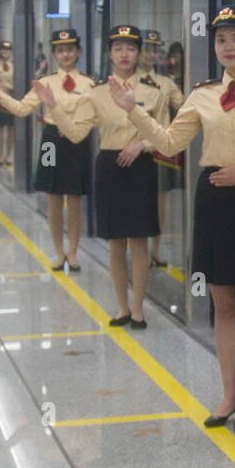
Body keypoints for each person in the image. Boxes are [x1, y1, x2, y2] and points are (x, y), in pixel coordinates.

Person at [111, 4, 235, 434]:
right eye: (220, 39)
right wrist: (132, 110)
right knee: (222, 303)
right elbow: (169, 141)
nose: (228, 46)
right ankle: (227, 395)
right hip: (213, 197)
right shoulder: (202, 94)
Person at [50, 26, 170, 327]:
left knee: (139, 242)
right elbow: (77, 132)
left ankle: (139, 308)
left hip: (141, 167)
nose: (124, 54)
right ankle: (122, 307)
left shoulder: (154, 92)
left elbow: (167, 136)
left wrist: (142, 144)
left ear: (139, 52)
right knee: (116, 243)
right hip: (109, 166)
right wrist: (53, 107)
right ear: (109, 54)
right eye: (118, 48)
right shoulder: (96, 93)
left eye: (130, 48)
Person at [0, 28, 94, 271]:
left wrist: (76, 126)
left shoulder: (89, 83)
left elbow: (96, 115)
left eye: (70, 50)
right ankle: (59, 253)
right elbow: (22, 109)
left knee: (75, 200)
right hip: (51, 141)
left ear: (79, 52)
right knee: (53, 198)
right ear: (54, 53)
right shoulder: (45, 82)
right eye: (60, 50)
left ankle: (73, 252)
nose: (65, 54)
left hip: (77, 141)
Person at [140, 29, 186, 268]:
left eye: (155, 50)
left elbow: (186, 106)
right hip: (134, 151)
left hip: (159, 152)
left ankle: (155, 251)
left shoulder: (166, 83)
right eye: (146, 49)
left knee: (160, 205)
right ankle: (137, 251)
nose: (150, 54)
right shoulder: (125, 82)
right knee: (136, 203)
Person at [0, 41, 15, 166]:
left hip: (12, 99)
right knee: (0, 128)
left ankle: (8, 155)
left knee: (11, 128)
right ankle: (0, 155)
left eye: (8, 50)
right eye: (3, 50)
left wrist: (5, 86)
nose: (5, 52)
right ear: (0, 51)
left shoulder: (15, 67)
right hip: (0, 100)